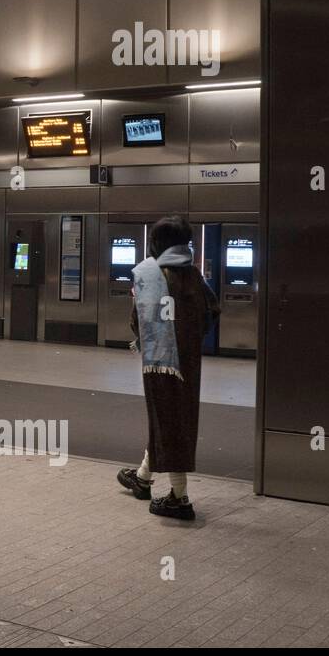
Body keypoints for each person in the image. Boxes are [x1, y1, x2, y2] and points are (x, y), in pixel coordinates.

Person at [117, 215, 219, 520]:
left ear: (157, 243)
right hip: (189, 361)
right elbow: (212, 310)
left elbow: (137, 323)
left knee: (167, 419)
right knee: (174, 417)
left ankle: (179, 497)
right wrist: (189, 337)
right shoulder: (194, 275)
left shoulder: (149, 274)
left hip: (159, 363)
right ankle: (143, 478)